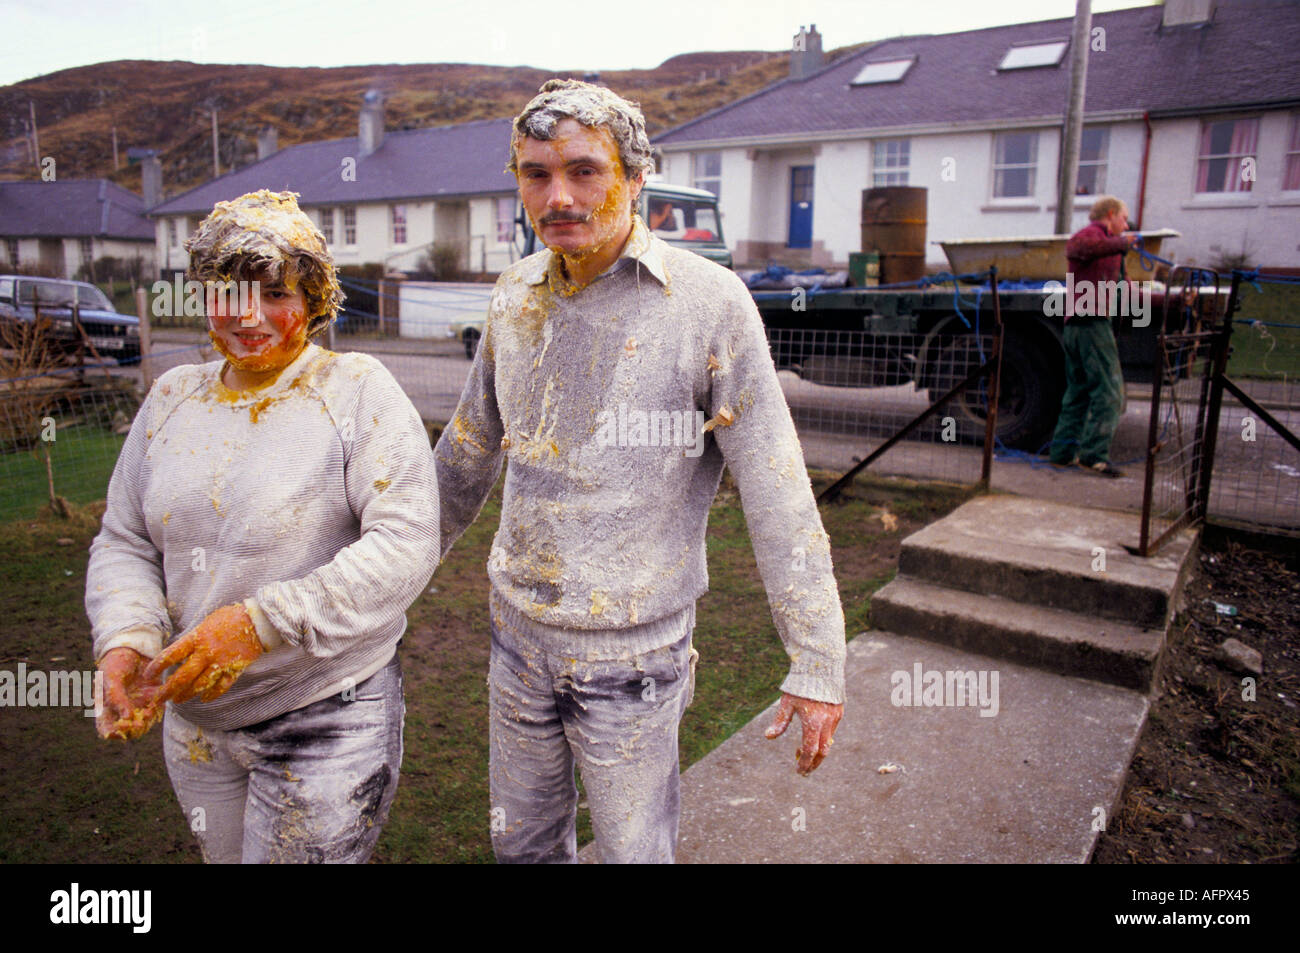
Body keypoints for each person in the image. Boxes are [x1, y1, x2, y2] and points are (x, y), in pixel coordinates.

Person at [435, 79, 846, 864]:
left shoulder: (708, 303)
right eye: (535, 173)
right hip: (515, 637)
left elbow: (777, 488)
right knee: (519, 845)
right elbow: (462, 456)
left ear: (635, 176)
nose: (557, 196)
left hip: (636, 659)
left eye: (584, 170)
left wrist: (818, 657)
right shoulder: (514, 294)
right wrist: (373, 594)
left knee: (633, 853)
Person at [86, 190, 440, 863]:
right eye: (228, 291)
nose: (248, 315)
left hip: (324, 709)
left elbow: (406, 543)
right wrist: (126, 638)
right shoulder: (171, 397)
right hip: (195, 722)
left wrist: (259, 624)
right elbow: (125, 538)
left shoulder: (356, 390)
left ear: (312, 296)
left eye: (275, 291)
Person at [1048, 195, 1138, 478]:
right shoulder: (1091, 237)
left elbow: (1124, 288)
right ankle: (1094, 456)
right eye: (1123, 218)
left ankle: (1062, 454)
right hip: (1091, 325)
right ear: (1110, 214)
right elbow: (1076, 246)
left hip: (1078, 325)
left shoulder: (1111, 250)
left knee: (1078, 392)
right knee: (1110, 393)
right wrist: (1124, 243)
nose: (1126, 225)